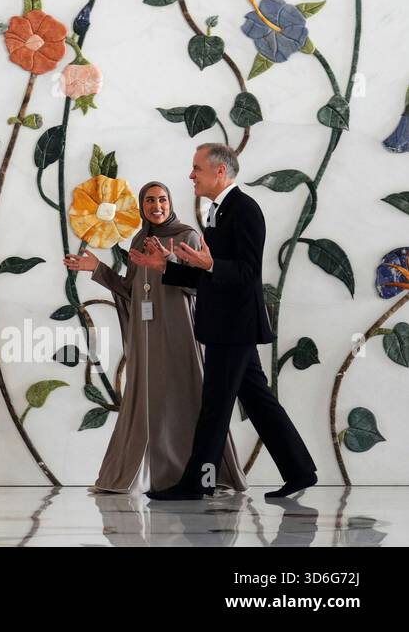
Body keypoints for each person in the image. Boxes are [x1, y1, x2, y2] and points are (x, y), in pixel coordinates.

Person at [132, 143, 317, 500]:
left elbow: (248, 273)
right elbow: (212, 280)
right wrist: (167, 268)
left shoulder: (245, 210)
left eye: (196, 168)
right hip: (225, 325)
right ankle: (300, 470)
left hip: (234, 327)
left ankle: (196, 483)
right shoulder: (217, 212)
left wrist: (209, 264)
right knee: (258, 400)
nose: (190, 175)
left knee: (215, 406)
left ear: (220, 171)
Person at [64, 181, 247, 495]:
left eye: (162, 199)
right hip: (146, 336)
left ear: (170, 202)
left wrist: (169, 264)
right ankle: (152, 473)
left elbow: (201, 285)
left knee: (186, 397)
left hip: (180, 331)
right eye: (150, 201)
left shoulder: (187, 236)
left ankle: (200, 473)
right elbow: (131, 291)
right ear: (141, 206)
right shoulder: (141, 238)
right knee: (149, 401)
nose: (157, 206)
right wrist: (98, 269)